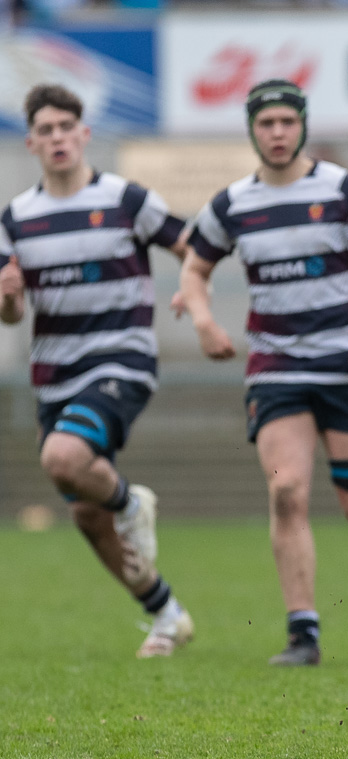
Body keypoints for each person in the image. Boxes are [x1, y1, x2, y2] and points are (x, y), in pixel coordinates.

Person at [178, 79, 348, 667]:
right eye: (266, 124)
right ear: (252, 130)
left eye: (286, 123)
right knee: (287, 488)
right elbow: (194, 269)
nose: (277, 134)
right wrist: (201, 321)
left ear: (302, 126)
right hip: (275, 368)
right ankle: (304, 634)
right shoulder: (231, 204)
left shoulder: (344, 191)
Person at [0, 83, 194, 659]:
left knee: (62, 458)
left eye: (67, 127)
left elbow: (192, 246)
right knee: (83, 507)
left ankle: (132, 504)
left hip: (121, 359)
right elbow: (10, 313)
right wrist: (8, 298)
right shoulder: (15, 219)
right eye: (47, 131)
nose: (58, 138)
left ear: (84, 134)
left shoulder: (127, 199)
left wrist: (196, 295)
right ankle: (166, 613)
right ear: (32, 142)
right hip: (54, 375)